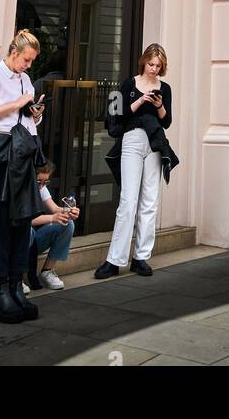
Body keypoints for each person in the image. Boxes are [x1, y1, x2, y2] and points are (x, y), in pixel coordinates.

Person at [0, 29, 46, 323]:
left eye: (31, 62)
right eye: (26, 60)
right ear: (14, 53)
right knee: (0, 223)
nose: (29, 66)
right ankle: (0, 291)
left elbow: (26, 118)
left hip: (21, 157)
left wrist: (35, 112)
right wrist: (17, 103)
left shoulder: (25, 79)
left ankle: (16, 286)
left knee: (21, 222)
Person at [94, 43, 175, 280]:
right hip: (131, 139)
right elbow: (117, 115)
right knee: (128, 201)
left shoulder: (165, 88)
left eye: (158, 66)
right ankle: (114, 259)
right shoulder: (129, 84)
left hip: (155, 142)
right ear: (144, 61)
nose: (154, 69)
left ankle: (141, 257)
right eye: (151, 64)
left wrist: (159, 106)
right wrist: (140, 101)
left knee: (150, 201)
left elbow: (167, 121)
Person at [26, 161, 80, 292]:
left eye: (46, 182)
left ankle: (47, 271)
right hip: (19, 239)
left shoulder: (41, 188)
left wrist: (68, 211)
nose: (42, 185)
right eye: (39, 181)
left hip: (36, 241)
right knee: (26, 230)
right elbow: (23, 220)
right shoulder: (23, 188)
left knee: (67, 224)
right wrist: (52, 218)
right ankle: (15, 278)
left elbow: (54, 208)